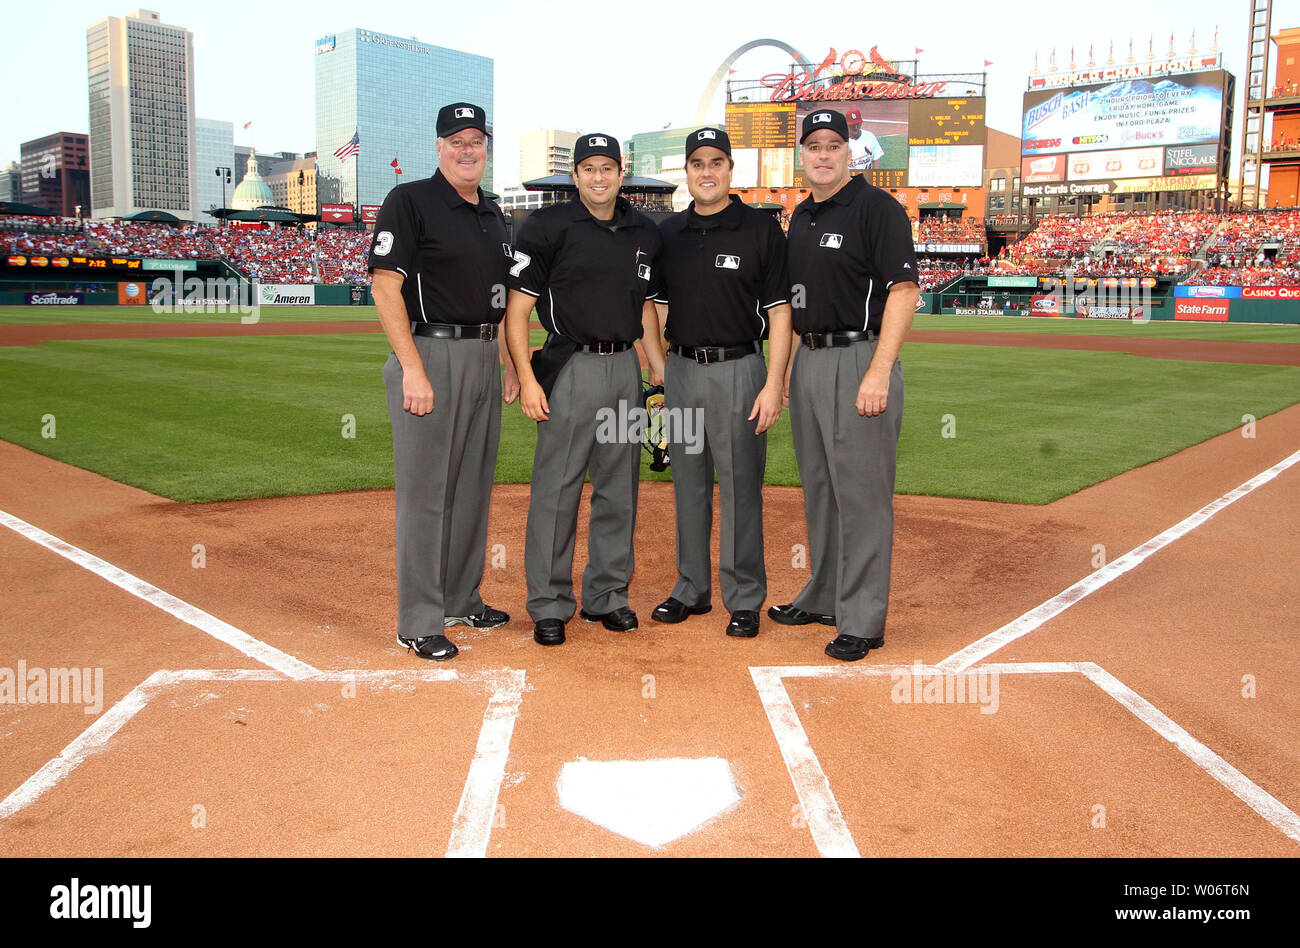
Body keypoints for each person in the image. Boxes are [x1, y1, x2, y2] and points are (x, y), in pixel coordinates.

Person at [368, 102, 519, 661]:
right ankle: (419, 619)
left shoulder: (494, 213)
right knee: (427, 494)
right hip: (431, 353)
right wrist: (411, 367)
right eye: (455, 140)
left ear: (486, 147)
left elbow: (501, 299)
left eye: (475, 140)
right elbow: (386, 288)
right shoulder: (410, 201)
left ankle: (460, 597)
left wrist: (505, 359)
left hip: (482, 354)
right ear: (438, 147)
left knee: (472, 488)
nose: (466, 149)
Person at [504, 133, 668, 646]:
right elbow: (517, 311)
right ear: (575, 176)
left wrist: (658, 373)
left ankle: (608, 595)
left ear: (623, 173)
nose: (599, 178)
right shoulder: (547, 225)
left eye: (608, 168)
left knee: (619, 489)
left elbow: (647, 308)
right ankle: (550, 604)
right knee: (557, 489)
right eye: (589, 169)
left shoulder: (645, 228)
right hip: (569, 365)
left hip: (623, 367)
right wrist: (527, 379)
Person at [771, 108, 920, 661]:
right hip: (810, 361)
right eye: (815, 146)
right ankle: (825, 595)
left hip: (859, 358)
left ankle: (862, 617)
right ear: (803, 155)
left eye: (835, 145)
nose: (824, 154)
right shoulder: (803, 216)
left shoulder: (877, 209)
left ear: (849, 151)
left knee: (861, 497)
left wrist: (879, 371)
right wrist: (785, 371)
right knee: (821, 491)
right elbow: (790, 304)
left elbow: (903, 293)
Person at [650, 127, 792, 638]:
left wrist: (774, 382)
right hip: (683, 370)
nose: (706, 172)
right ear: (686, 171)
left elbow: (780, 314)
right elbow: (654, 305)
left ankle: (745, 595)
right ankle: (691, 587)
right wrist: (658, 365)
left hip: (740, 369)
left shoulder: (760, 230)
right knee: (688, 485)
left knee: (740, 489)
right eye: (696, 164)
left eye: (716, 162)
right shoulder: (667, 233)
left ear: (731, 169)